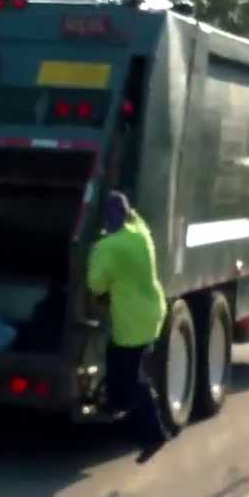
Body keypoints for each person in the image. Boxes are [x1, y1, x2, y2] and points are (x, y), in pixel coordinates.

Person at [88, 191, 173, 463]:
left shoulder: (108, 247)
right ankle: (116, 403)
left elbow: (95, 284)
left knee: (132, 375)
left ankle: (156, 432)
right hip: (152, 311)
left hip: (131, 320)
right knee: (117, 361)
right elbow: (133, 216)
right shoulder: (140, 232)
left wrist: (93, 250)